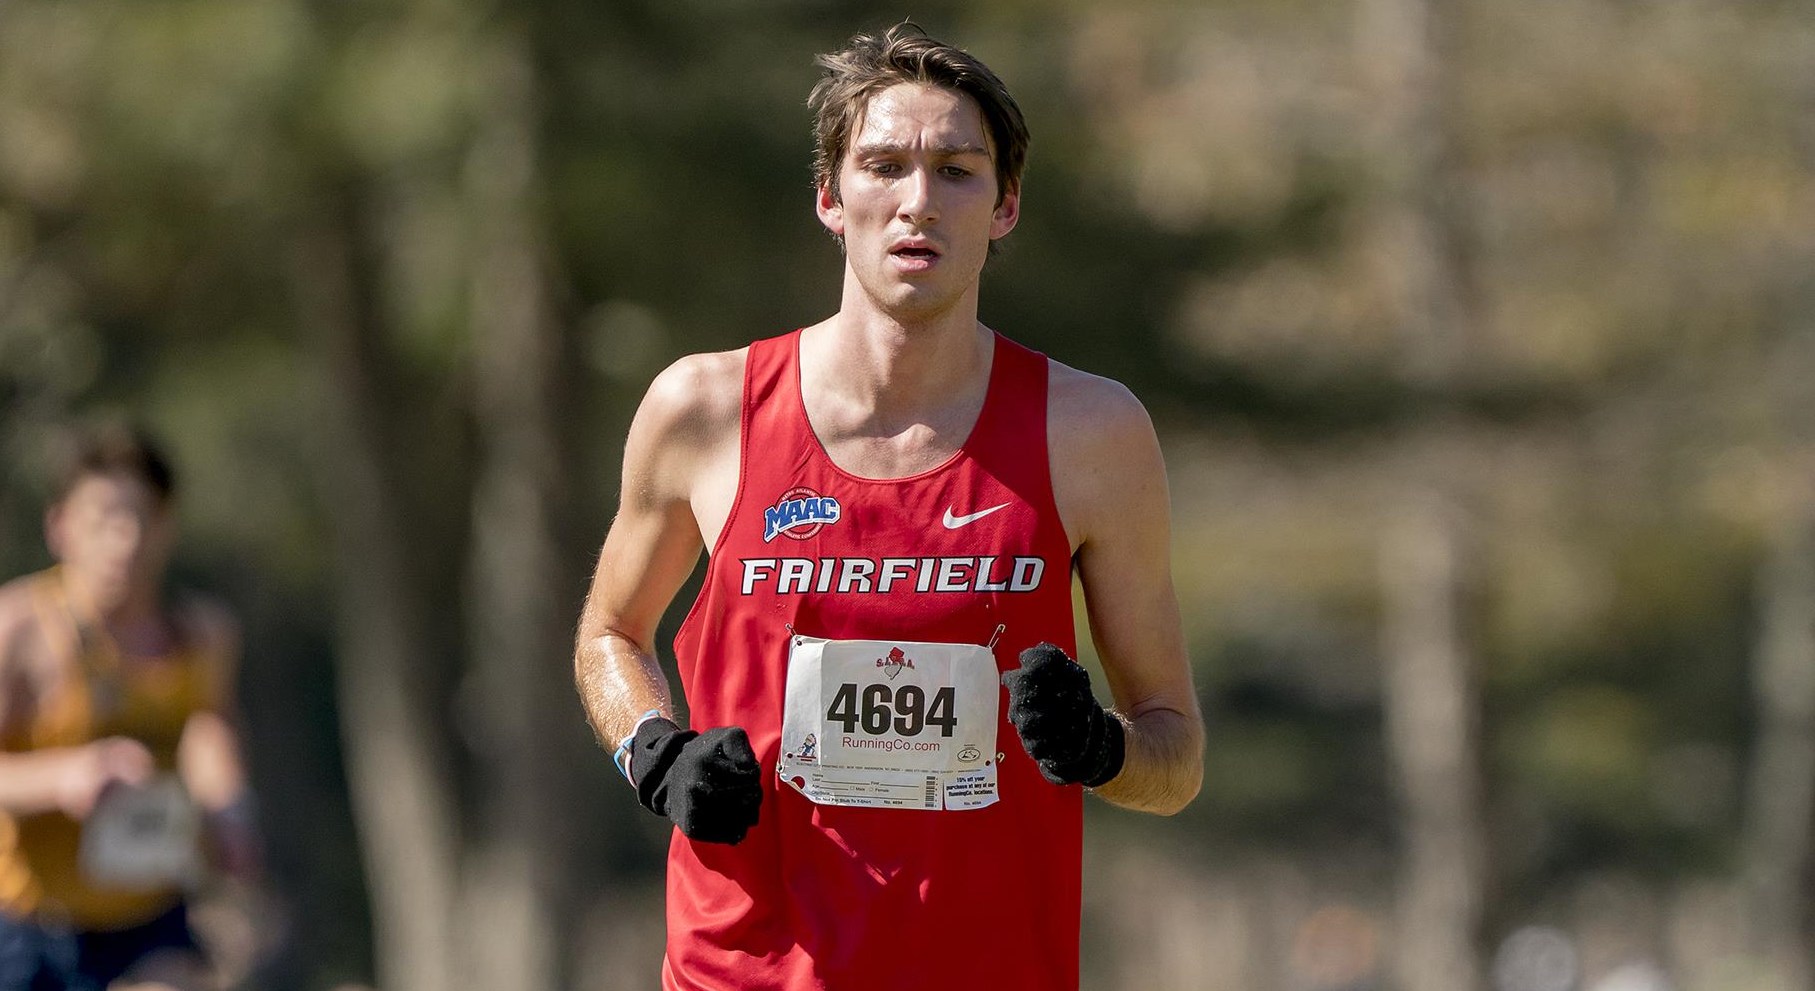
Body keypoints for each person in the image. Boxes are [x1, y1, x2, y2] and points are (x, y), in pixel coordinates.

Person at [573, 23, 1203, 991]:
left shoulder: (1091, 434)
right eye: (883, 165)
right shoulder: (704, 411)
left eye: (956, 170)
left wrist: (1101, 746)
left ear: (1006, 206)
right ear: (830, 197)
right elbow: (610, 634)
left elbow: (1177, 753)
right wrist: (655, 755)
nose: (918, 201)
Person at [0, 425, 256, 991]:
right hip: (29, 929)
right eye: (102, 519)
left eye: (140, 517)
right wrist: (63, 777)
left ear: (168, 527)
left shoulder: (202, 635)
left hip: (150, 921)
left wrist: (232, 813)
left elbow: (210, 733)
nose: (124, 539)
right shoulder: (18, 631)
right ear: (59, 526)